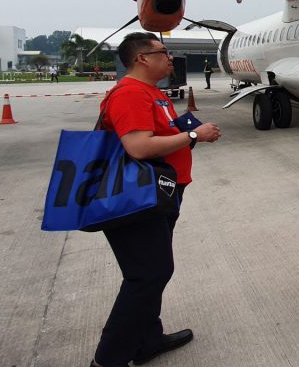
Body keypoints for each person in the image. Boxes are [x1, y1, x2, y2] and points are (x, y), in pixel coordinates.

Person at [90, 32, 221, 367]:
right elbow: (138, 147)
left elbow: (158, 136)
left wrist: (184, 131)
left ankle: (147, 340)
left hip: (160, 194)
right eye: (163, 52)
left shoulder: (152, 93)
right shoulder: (131, 93)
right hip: (136, 200)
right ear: (141, 59)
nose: (170, 58)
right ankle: (107, 359)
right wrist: (193, 134)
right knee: (148, 274)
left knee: (152, 272)